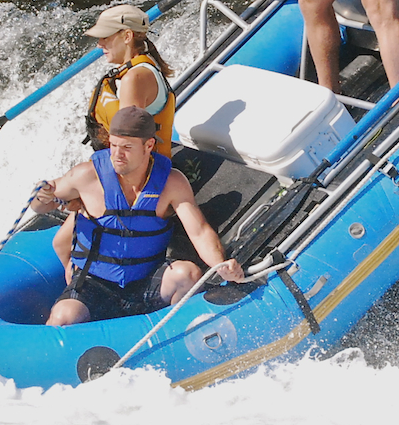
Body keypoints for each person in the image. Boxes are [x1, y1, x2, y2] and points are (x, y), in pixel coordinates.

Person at [34, 106, 244, 326]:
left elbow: (199, 231)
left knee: (187, 274)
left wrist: (221, 265)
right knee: (62, 317)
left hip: (145, 279)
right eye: (113, 145)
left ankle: (179, 339)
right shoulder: (85, 176)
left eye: (126, 147)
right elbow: (41, 206)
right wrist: (41, 196)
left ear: (148, 145)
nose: (117, 154)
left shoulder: (171, 183)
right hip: (94, 282)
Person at [82, 3, 175, 157]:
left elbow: (127, 146)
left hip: (143, 174)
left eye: (105, 37)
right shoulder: (141, 69)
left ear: (127, 36)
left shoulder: (135, 78)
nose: (99, 44)